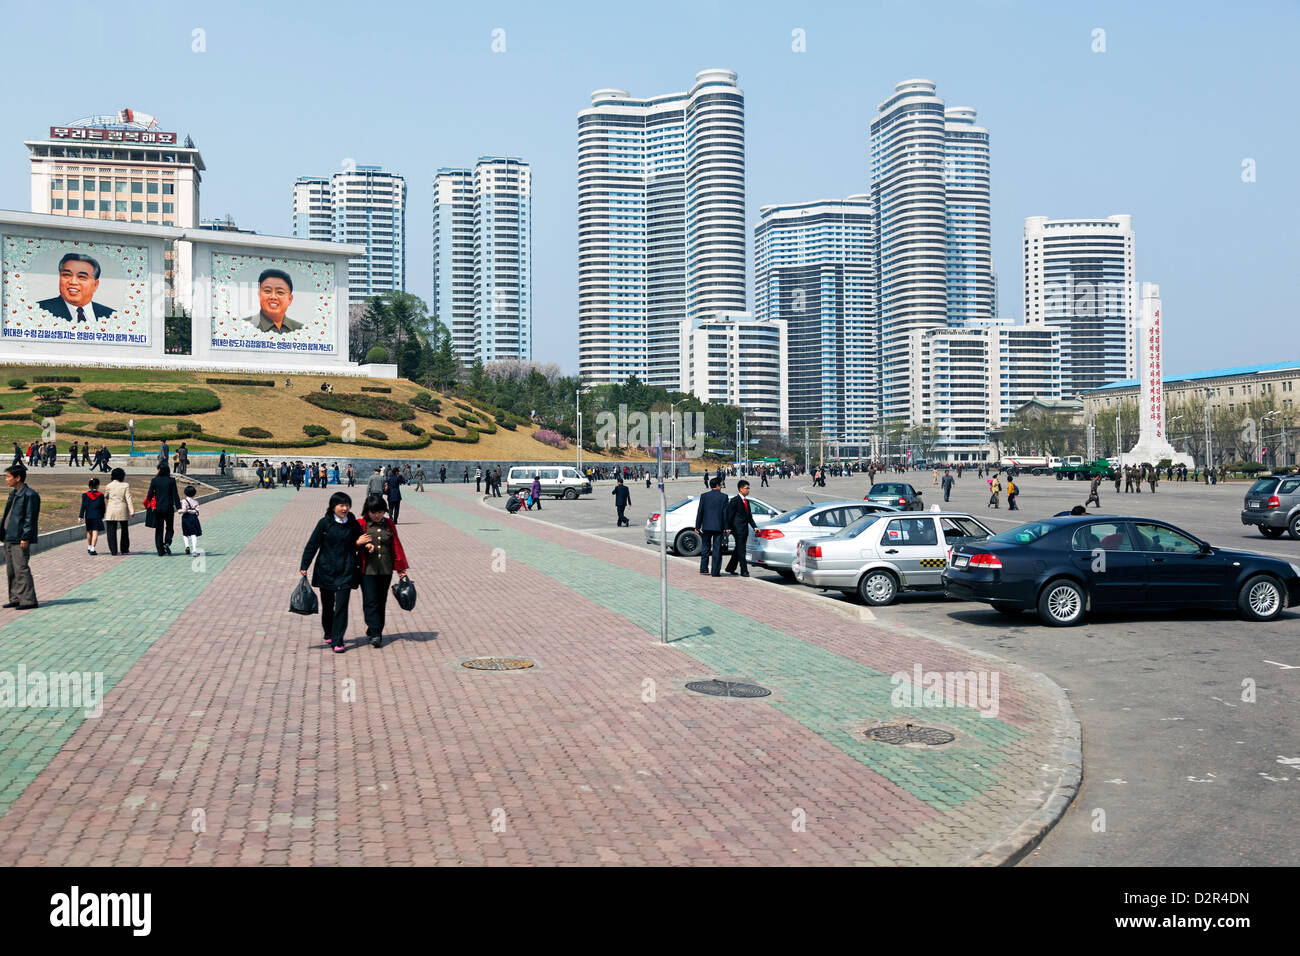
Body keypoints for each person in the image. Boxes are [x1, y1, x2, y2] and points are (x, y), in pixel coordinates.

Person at [299, 492, 364, 653]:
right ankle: (329, 631)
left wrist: (363, 544)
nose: (345, 508)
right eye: (341, 505)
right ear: (333, 506)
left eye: (347, 505)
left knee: (341, 606)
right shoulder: (325, 523)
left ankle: (338, 639)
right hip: (326, 569)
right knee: (328, 606)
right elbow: (312, 545)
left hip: (346, 569)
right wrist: (304, 565)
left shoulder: (352, 523)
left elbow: (360, 539)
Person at [357, 495, 409, 649]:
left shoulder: (389, 524)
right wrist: (360, 544)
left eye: (380, 512)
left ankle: (375, 628)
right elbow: (352, 543)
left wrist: (401, 568)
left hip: (385, 569)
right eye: (374, 512)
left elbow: (395, 545)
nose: (377, 515)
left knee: (381, 600)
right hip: (367, 569)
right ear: (367, 511)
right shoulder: (361, 524)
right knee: (370, 600)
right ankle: (375, 633)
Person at [37, 252, 116, 322]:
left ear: (95, 284)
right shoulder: (39, 311)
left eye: (81, 277)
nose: (73, 282)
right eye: (66, 275)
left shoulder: (111, 316)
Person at [2, 464, 40, 610]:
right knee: (11, 570)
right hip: (9, 536)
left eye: (8, 477)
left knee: (21, 569)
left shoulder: (30, 495)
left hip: (20, 538)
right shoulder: (14, 493)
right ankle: (15, 598)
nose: (6, 480)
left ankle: (28, 600)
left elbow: (30, 518)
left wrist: (26, 537)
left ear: (18, 478)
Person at [243, 269, 303, 333]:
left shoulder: (301, 330)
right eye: (267, 291)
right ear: (259, 295)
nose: (273, 297)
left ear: (290, 299)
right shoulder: (244, 326)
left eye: (280, 292)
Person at [723, 480, 758, 577]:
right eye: (747, 488)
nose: (748, 490)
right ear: (741, 489)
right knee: (742, 550)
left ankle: (730, 568)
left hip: (744, 529)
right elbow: (729, 516)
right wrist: (728, 528)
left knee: (738, 549)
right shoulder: (734, 500)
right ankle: (744, 571)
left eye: (749, 488)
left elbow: (749, 517)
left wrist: (755, 527)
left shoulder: (747, 501)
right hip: (737, 530)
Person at [694, 477, 728, 577]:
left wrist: (697, 526)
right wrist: (726, 527)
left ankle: (704, 569)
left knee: (705, 548)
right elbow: (725, 513)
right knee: (717, 549)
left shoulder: (704, 496)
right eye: (721, 484)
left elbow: (700, 512)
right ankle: (715, 572)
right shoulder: (724, 497)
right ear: (718, 485)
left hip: (706, 526)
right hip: (718, 527)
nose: (721, 486)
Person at [146, 463, 181, 556]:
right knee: (169, 527)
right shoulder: (171, 480)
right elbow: (175, 495)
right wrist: (179, 507)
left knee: (159, 529)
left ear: (159, 470)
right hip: (169, 507)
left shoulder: (154, 480)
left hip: (158, 508)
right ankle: (167, 543)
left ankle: (160, 551)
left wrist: (150, 502)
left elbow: (149, 494)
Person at [103, 466, 133, 555]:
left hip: (111, 510)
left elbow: (106, 496)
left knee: (111, 531)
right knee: (124, 530)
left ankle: (113, 550)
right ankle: (124, 549)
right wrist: (132, 510)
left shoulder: (109, 486)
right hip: (122, 509)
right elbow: (128, 498)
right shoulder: (125, 485)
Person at [79, 477, 106, 555]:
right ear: (97, 485)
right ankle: (93, 549)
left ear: (89, 485)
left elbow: (83, 506)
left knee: (89, 532)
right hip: (97, 516)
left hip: (88, 516)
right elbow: (103, 507)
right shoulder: (100, 495)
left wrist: (80, 516)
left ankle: (89, 546)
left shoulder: (85, 495)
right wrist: (102, 515)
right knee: (95, 532)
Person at [179, 485, 203, 555]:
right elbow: (196, 511)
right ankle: (194, 550)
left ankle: (187, 546)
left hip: (186, 518)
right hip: (194, 518)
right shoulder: (196, 502)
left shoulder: (184, 501)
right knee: (193, 534)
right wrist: (191, 511)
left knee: (185, 533)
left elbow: (183, 510)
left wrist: (180, 511)